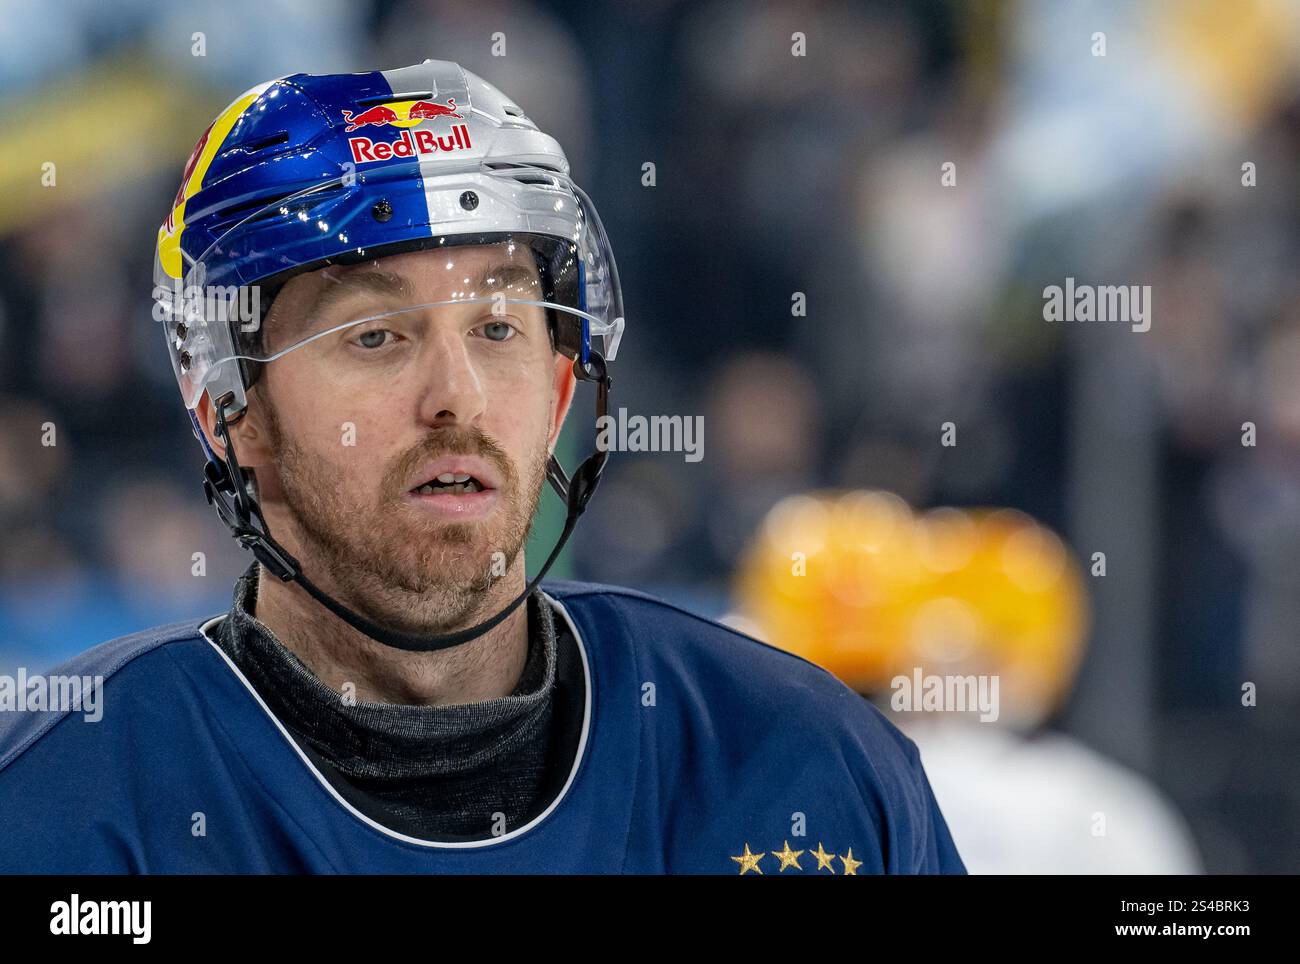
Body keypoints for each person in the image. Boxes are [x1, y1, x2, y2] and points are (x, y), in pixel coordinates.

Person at [0, 60, 965, 874]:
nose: (454, 395)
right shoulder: (63, 806)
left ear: (556, 390)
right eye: (376, 336)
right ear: (227, 412)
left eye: (498, 326)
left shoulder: (807, 763)